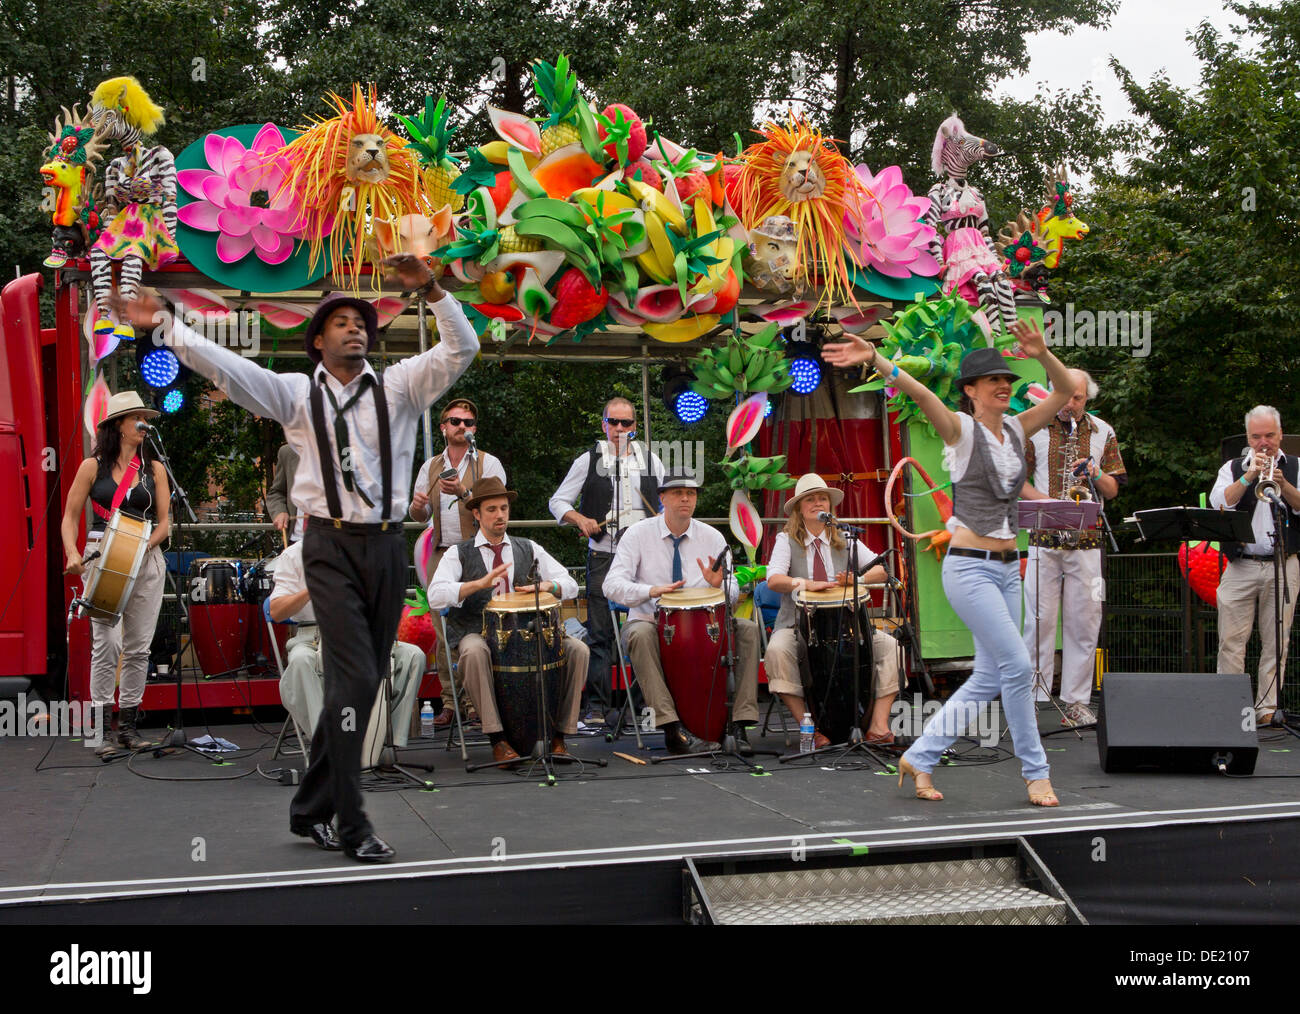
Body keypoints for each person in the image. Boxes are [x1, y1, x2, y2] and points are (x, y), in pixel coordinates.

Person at [115, 252, 477, 862]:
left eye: (361, 321)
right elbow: (227, 368)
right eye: (340, 322)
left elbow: (460, 347)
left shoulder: (401, 384)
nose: (355, 328)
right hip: (328, 547)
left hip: (388, 547)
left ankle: (310, 807)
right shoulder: (293, 395)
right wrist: (166, 326)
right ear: (317, 340)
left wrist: (434, 289)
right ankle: (353, 821)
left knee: (364, 679)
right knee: (358, 677)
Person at [824, 320, 1074, 805]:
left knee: (990, 676)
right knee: (1019, 667)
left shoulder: (1018, 429)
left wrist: (1041, 353)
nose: (1005, 385)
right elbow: (919, 393)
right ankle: (1036, 772)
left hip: (1006, 569)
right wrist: (875, 358)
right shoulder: (961, 432)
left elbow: (1064, 390)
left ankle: (920, 755)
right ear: (971, 391)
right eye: (994, 381)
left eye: (1008, 380)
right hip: (968, 567)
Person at [426, 477, 588, 765]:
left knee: (579, 650)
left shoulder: (528, 547)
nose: (499, 515)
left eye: (503, 508)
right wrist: (476, 584)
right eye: (491, 509)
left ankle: (560, 735)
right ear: (476, 514)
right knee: (474, 651)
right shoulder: (458, 553)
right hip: (478, 632)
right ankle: (497, 739)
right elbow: (435, 595)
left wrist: (547, 586)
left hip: (530, 633)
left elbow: (570, 584)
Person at [603, 470, 760, 754]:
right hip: (651, 622)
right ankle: (672, 729)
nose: (685, 498)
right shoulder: (638, 534)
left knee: (747, 630)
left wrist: (722, 584)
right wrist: (650, 591)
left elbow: (734, 589)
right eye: (677, 493)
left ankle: (737, 724)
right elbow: (611, 585)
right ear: (662, 498)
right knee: (637, 634)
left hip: (705, 627)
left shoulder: (712, 537)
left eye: (691, 493)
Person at [60, 391, 170, 756]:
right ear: (118, 426)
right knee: (107, 644)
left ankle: (128, 728)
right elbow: (69, 517)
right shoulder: (93, 466)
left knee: (139, 647)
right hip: (103, 556)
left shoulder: (154, 468)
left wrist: (145, 547)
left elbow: (166, 522)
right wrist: (74, 553)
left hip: (146, 559)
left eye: (145, 418)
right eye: (136, 418)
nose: (144, 424)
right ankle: (101, 731)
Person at [1020, 369, 1126, 726]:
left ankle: (1077, 702)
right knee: (1038, 620)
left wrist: (1095, 475)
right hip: (1044, 537)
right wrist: (1052, 507)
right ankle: (1033, 699)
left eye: (1077, 398)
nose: (1070, 403)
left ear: (1087, 398)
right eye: (1065, 395)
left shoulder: (1103, 431)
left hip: (1088, 541)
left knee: (1085, 622)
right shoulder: (1034, 427)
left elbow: (1113, 489)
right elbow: (1018, 482)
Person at [763, 473, 900, 747]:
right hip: (798, 626)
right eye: (810, 499)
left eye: (822, 498)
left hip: (849, 625)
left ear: (830, 505)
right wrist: (806, 583)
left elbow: (882, 570)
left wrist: (857, 579)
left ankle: (878, 726)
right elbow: (774, 580)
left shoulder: (845, 537)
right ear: (800, 508)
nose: (817, 503)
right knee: (777, 651)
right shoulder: (786, 540)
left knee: (891, 647)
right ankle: (808, 728)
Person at [549, 397, 664, 715]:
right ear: (603, 424)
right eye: (613, 422)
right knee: (601, 633)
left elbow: (665, 505)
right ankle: (599, 707)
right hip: (603, 555)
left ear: (635, 427)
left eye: (626, 423)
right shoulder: (587, 461)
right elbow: (558, 502)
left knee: (647, 630)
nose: (619, 428)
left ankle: (646, 707)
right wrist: (580, 519)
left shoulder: (652, 462)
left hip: (644, 561)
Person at [268, 539, 425, 751]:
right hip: (313, 634)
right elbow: (277, 611)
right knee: (300, 661)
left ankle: (384, 745)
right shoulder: (295, 554)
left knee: (413, 656)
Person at [410, 397, 505, 726]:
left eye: (466, 422)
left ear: (474, 429)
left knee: (480, 627)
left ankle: (477, 702)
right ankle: (450, 702)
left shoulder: (487, 464)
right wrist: (418, 504)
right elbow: (418, 514)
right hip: (442, 554)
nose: (460, 426)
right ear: (443, 428)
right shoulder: (431, 466)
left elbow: (497, 508)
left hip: (477, 553)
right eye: (454, 421)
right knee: (443, 629)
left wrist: (465, 492)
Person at [1209, 405, 1300, 726]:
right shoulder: (1233, 467)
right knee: (1231, 640)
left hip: (1284, 563)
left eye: (1270, 436)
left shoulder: (1297, 467)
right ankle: (1230, 708)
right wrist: (1250, 476)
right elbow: (1218, 504)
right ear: (1248, 437)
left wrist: (1283, 484)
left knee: (1278, 641)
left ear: (1280, 434)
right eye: (1257, 436)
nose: (1264, 443)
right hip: (1241, 564)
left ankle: (1266, 710)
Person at [265, 442, 301, 544]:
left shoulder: (342, 450)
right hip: (295, 539)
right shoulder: (288, 452)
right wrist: (280, 511)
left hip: (333, 541)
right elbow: (276, 492)